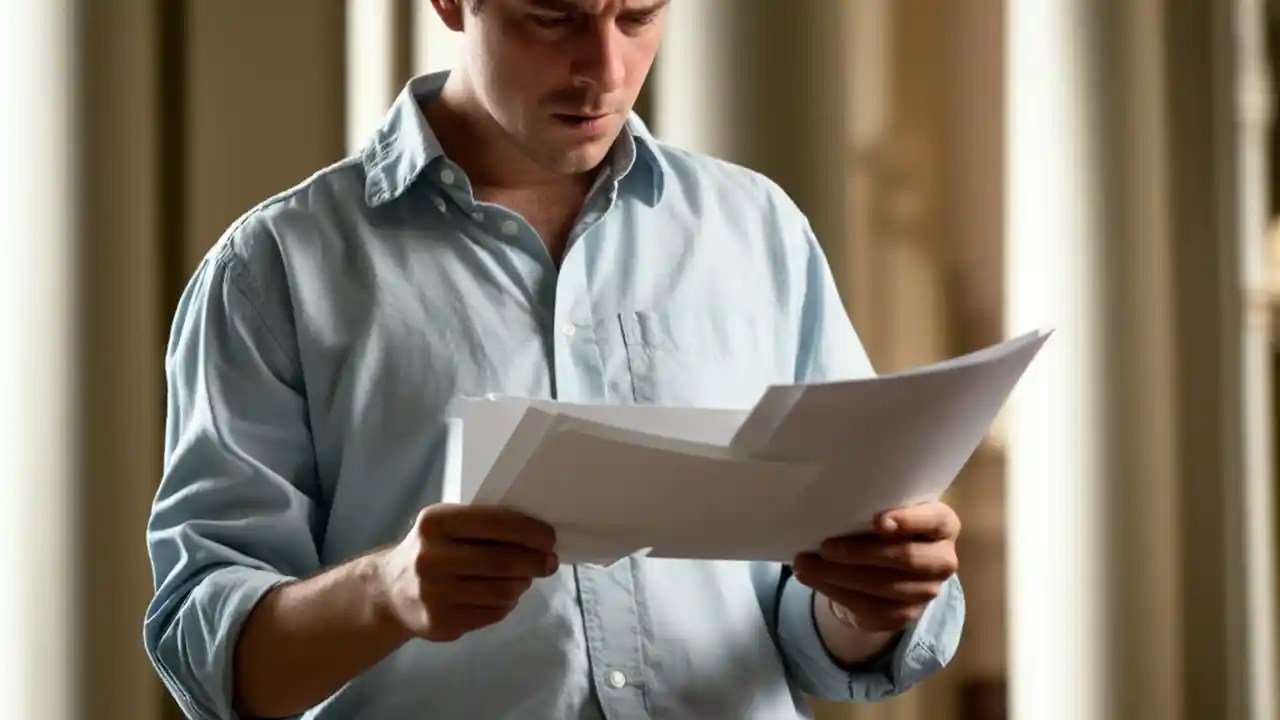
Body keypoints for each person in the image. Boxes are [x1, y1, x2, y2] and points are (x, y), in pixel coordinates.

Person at [143, 0, 964, 717]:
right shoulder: (279, 268)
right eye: (554, 18)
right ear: (450, 2)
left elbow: (816, 630)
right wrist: (388, 593)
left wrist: (870, 600)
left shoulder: (759, 231)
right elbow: (210, 655)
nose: (603, 69)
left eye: (638, 15)